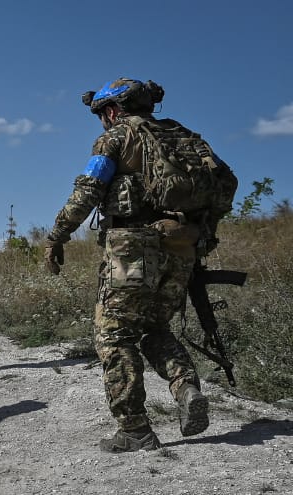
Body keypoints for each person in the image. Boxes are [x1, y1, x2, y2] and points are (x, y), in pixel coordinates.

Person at [43, 78, 237, 453]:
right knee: (153, 326)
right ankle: (186, 386)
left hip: (133, 246)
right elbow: (227, 183)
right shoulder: (185, 136)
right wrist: (203, 233)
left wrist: (57, 235)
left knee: (114, 334)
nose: (102, 121)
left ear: (112, 110)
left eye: (102, 114)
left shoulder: (115, 138)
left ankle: (134, 429)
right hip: (183, 246)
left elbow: (87, 191)